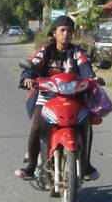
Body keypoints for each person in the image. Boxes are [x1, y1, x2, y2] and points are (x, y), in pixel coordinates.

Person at [16, 15, 102, 181]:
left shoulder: (78, 53)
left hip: (74, 98)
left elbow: (85, 68)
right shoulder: (45, 51)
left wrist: (93, 79)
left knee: (86, 125)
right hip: (46, 97)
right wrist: (28, 77)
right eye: (62, 30)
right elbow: (32, 65)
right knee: (35, 127)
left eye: (69, 31)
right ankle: (31, 166)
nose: (66, 34)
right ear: (54, 33)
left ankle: (86, 164)